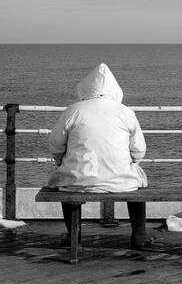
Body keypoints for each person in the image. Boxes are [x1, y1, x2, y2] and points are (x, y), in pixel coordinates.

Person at [46, 63, 150, 247]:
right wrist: (131, 162)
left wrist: (61, 162)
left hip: (78, 180)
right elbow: (139, 150)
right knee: (136, 185)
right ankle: (140, 235)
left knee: (65, 184)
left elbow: (55, 145)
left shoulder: (74, 110)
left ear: (86, 87)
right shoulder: (125, 112)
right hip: (121, 181)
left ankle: (74, 235)